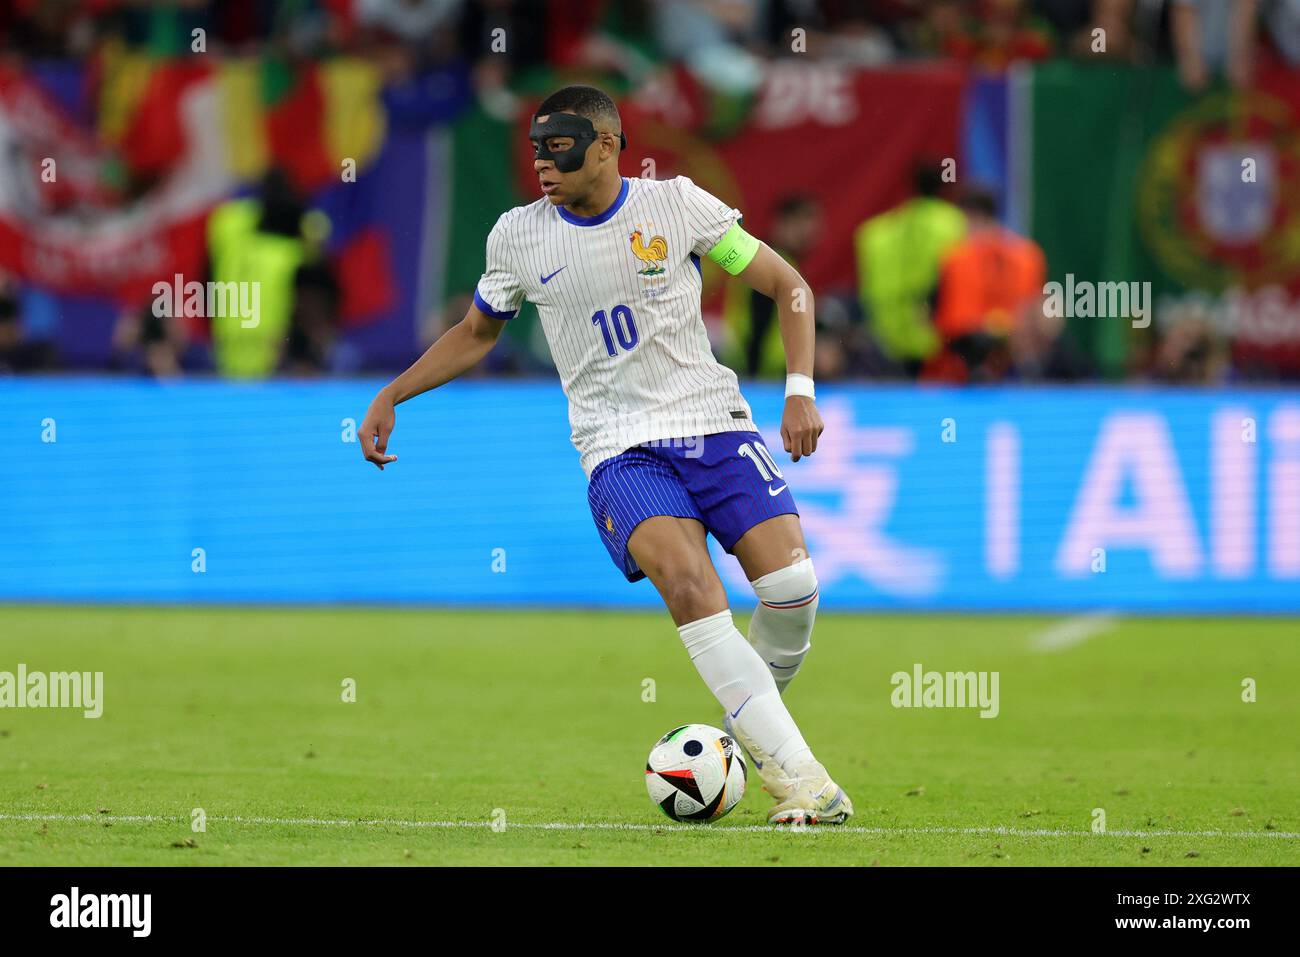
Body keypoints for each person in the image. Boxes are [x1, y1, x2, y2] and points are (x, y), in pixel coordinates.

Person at [359, 85, 852, 825]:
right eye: (536, 151)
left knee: (792, 588)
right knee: (688, 581)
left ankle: (753, 730)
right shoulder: (517, 236)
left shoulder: (677, 205)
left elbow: (789, 286)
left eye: (560, 149)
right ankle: (803, 776)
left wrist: (801, 389)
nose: (544, 166)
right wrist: (393, 393)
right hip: (617, 449)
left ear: (608, 145)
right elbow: (477, 331)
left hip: (712, 424)